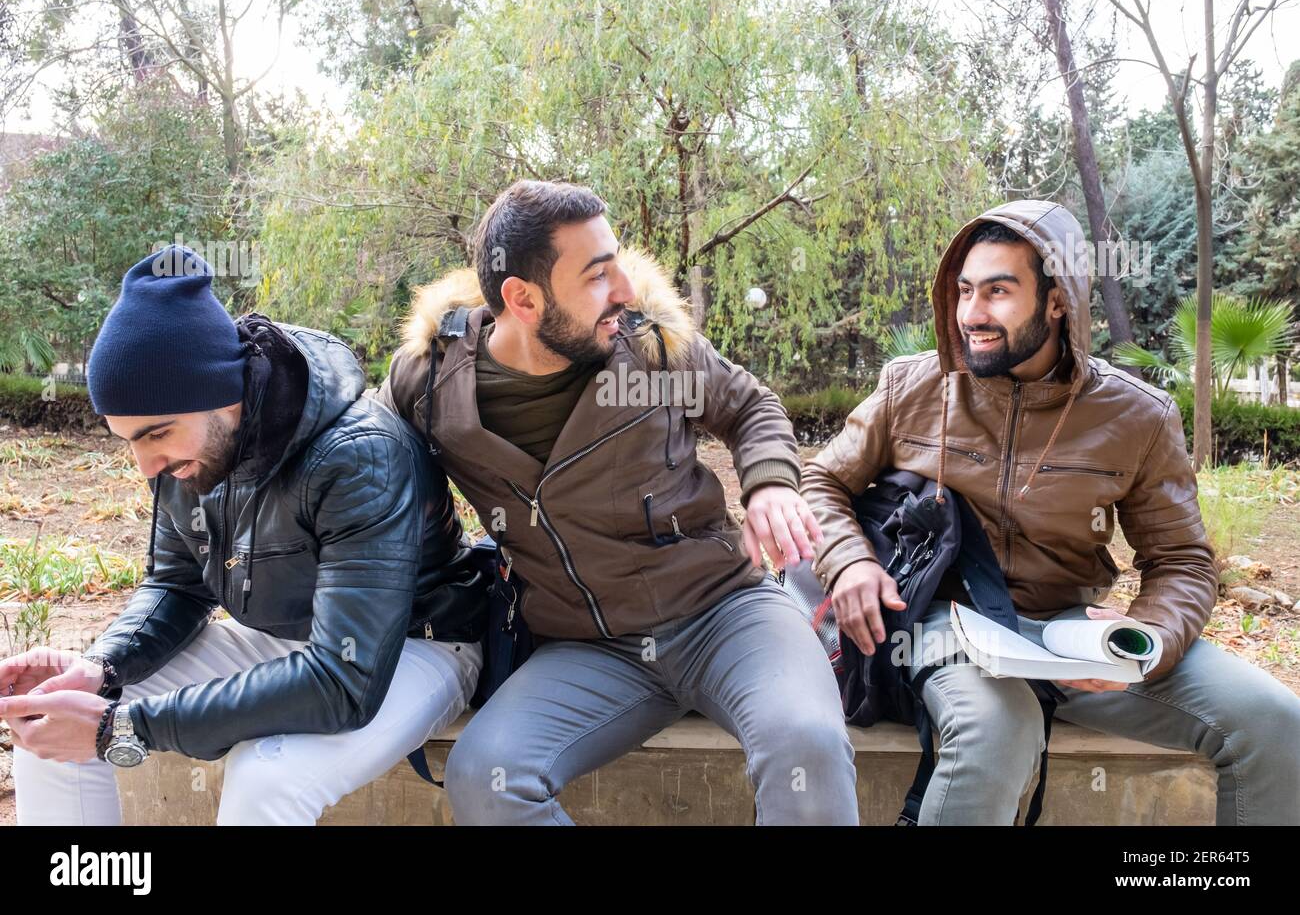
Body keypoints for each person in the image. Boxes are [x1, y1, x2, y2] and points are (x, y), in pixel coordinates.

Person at [801, 199, 1300, 825]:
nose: (972, 314)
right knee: (998, 730)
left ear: (1058, 300)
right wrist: (848, 563)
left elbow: (1181, 561)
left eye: (999, 292)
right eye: (963, 292)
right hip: (947, 621)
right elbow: (820, 482)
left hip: (1070, 637)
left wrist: (1141, 640)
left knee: (1277, 725)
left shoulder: (1137, 415)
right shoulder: (912, 387)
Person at [378, 180, 859, 824]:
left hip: (725, 613)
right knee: (486, 779)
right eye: (599, 276)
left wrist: (771, 483)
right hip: (587, 647)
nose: (627, 291)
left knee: (809, 744)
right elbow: (364, 465)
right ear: (522, 298)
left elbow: (750, 407)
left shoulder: (651, 347)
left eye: (620, 267)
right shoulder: (433, 382)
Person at [1, 245, 486, 825]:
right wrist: (104, 669)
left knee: (267, 775)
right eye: (127, 439)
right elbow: (178, 587)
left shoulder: (360, 456)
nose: (144, 466)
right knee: (51, 729)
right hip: (292, 643)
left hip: (412, 648)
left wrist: (121, 728)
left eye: (155, 434)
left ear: (223, 396)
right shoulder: (194, 452)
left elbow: (342, 682)